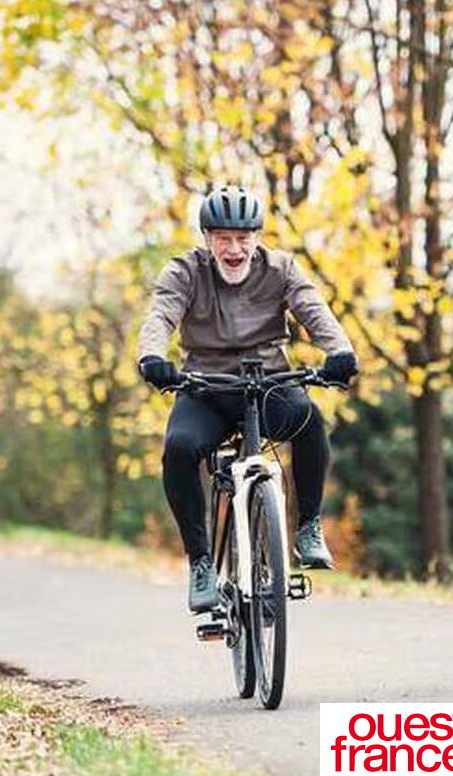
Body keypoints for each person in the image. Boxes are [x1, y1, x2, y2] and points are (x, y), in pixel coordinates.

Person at [137, 185, 358, 613]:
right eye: (223, 238)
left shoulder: (281, 268)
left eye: (243, 238)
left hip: (269, 383)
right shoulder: (185, 271)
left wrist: (341, 352)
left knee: (309, 420)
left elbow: (313, 309)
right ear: (207, 239)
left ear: (256, 237)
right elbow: (161, 314)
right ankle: (201, 562)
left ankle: (308, 525)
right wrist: (151, 358)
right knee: (179, 449)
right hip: (207, 388)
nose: (234, 248)